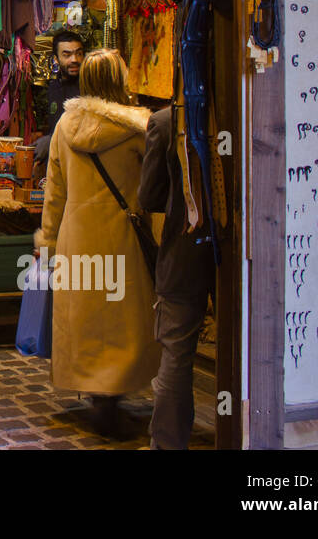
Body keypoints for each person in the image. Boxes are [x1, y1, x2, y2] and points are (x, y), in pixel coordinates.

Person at [37, 48, 159, 438]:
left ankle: (97, 393)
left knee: (85, 318)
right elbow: (153, 192)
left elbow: (54, 192)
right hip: (122, 236)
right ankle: (114, 392)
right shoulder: (140, 129)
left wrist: (49, 238)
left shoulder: (64, 127)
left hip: (78, 235)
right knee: (124, 320)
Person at [139, 104, 215, 450]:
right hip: (244, 250)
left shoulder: (168, 120)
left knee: (176, 351)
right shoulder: (254, 107)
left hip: (186, 246)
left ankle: (168, 444)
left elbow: (150, 196)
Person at [34, 29, 85, 168]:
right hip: (57, 164)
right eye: (67, 55)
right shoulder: (53, 87)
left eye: (78, 54)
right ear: (56, 59)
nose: (74, 60)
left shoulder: (89, 87)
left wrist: (51, 141)